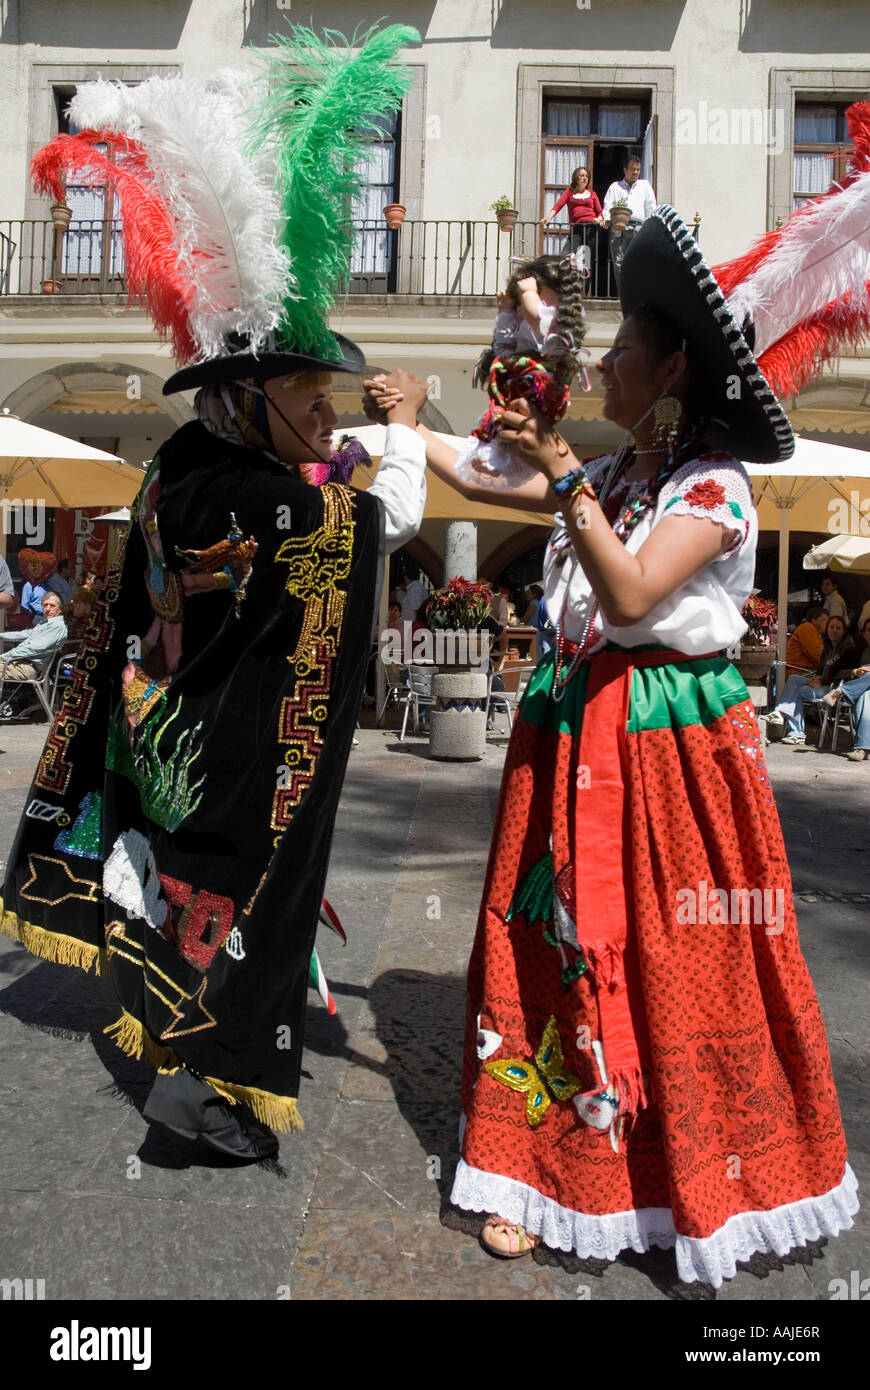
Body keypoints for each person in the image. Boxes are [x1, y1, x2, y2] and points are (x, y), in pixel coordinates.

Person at [367, 204, 856, 1286]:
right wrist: (410, 426)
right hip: (568, 735)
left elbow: (632, 591)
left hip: (667, 763)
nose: (602, 365)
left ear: (674, 368)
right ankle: (548, 1169)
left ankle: (693, 1173)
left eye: (627, 350)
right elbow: (490, 478)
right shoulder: (625, 476)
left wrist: (564, 470)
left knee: (672, 958)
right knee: (548, 945)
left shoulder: (712, 486)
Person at [1, 22, 426, 1163]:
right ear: (258, 398)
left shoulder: (175, 467)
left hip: (159, 731)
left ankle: (163, 1041)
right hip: (232, 770)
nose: (330, 420)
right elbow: (367, 530)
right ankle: (209, 1096)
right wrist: (403, 442)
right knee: (228, 911)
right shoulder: (282, 502)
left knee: (165, 896)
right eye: (316, 402)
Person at [456, 255, 588, 490]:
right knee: (498, 421)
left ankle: (506, 456)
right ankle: (496, 457)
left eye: (538, 291)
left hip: (541, 384)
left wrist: (528, 292)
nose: (522, 307)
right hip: (518, 382)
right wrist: (506, 311)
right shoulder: (526, 317)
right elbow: (502, 347)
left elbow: (537, 318)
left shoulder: (555, 320)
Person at [764, 613, 858, 745]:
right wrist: (816, 678)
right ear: (827, 629)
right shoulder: (827, 646)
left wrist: (822, 680)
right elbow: (821, 669)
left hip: (834, 688)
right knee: (794, 679)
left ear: (843, 631)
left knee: (797, 691)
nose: (834, 631)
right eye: (831, 627)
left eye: (838, 628)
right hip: (822, 681)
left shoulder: (849, 649)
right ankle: (784, 716)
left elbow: (841, 673)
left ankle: (795, 731)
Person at [0, 590, 67, 714]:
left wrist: (5, 656)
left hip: (28, 667)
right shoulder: (45, 624)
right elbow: (25, 634)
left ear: (60, 609)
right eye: (45, 605)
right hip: (19, 663)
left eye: (52, 606)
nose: (47, 609)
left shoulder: (57, 627)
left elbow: (36, 648)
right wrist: (1, 635)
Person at [819, 615, 870, 761]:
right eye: (868, 630)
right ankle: (862, 749)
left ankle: (839, 692)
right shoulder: (854, 652)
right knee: (865, 697)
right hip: (861, 692)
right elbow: (836, 672)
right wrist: (855, 672)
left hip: (851, 692)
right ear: (864, 633)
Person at [602, 155, 656, 227]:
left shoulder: (645, 186)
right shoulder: (615, 187)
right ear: (625, 170)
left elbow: (651, 208)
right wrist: (607, 219)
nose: (635, 172)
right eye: (633, 169)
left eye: (638, 169)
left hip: (639, 229)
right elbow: (607, 207)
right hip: (619, 229)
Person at [783, 604, 827, 682]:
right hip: (797, 671)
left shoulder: (817, 632)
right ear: (814, 621)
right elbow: (817, 655)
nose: (827, 623)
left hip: (805, 671)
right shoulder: (807, 628)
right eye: (824, 620)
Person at [19, 548, 57, 624]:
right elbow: (24, 606)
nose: (36, 568)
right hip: (37, 618)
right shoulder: (28, 586)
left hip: (50, 619)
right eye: (33, 566)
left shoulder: (48, 585)